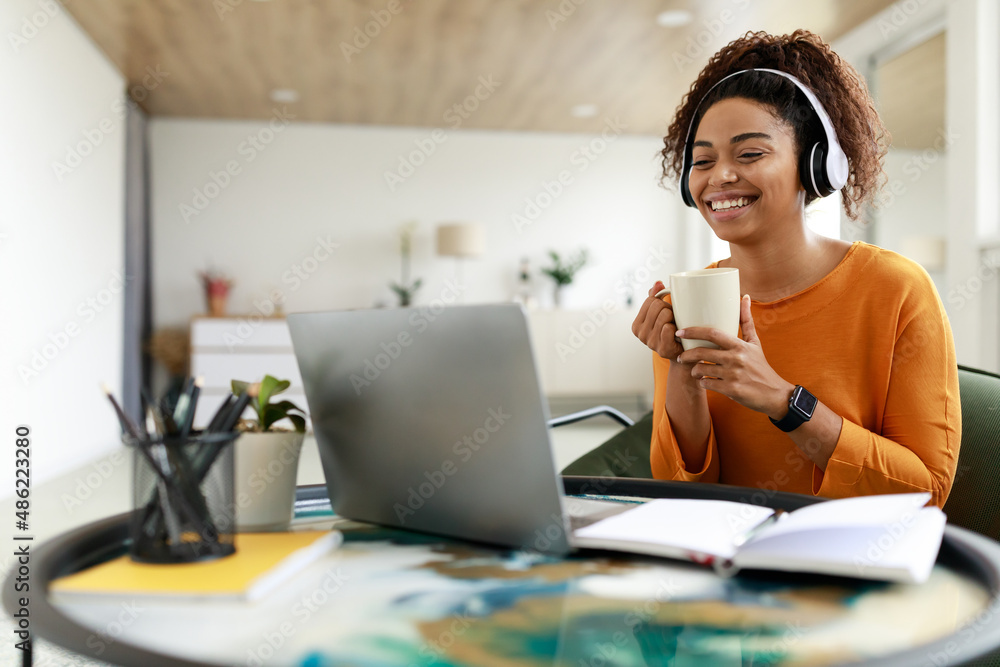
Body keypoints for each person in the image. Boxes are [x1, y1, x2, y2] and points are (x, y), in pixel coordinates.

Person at [631, 29, 960, 508]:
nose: (720, 176)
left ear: (815, 165)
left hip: (851, 560)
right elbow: (683, 498)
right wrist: (684, 372)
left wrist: (786, 403)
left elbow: (926, 491)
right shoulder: (689, 299)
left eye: (750, 153)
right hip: (726, 563)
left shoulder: (896, 289)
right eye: (703, 161)